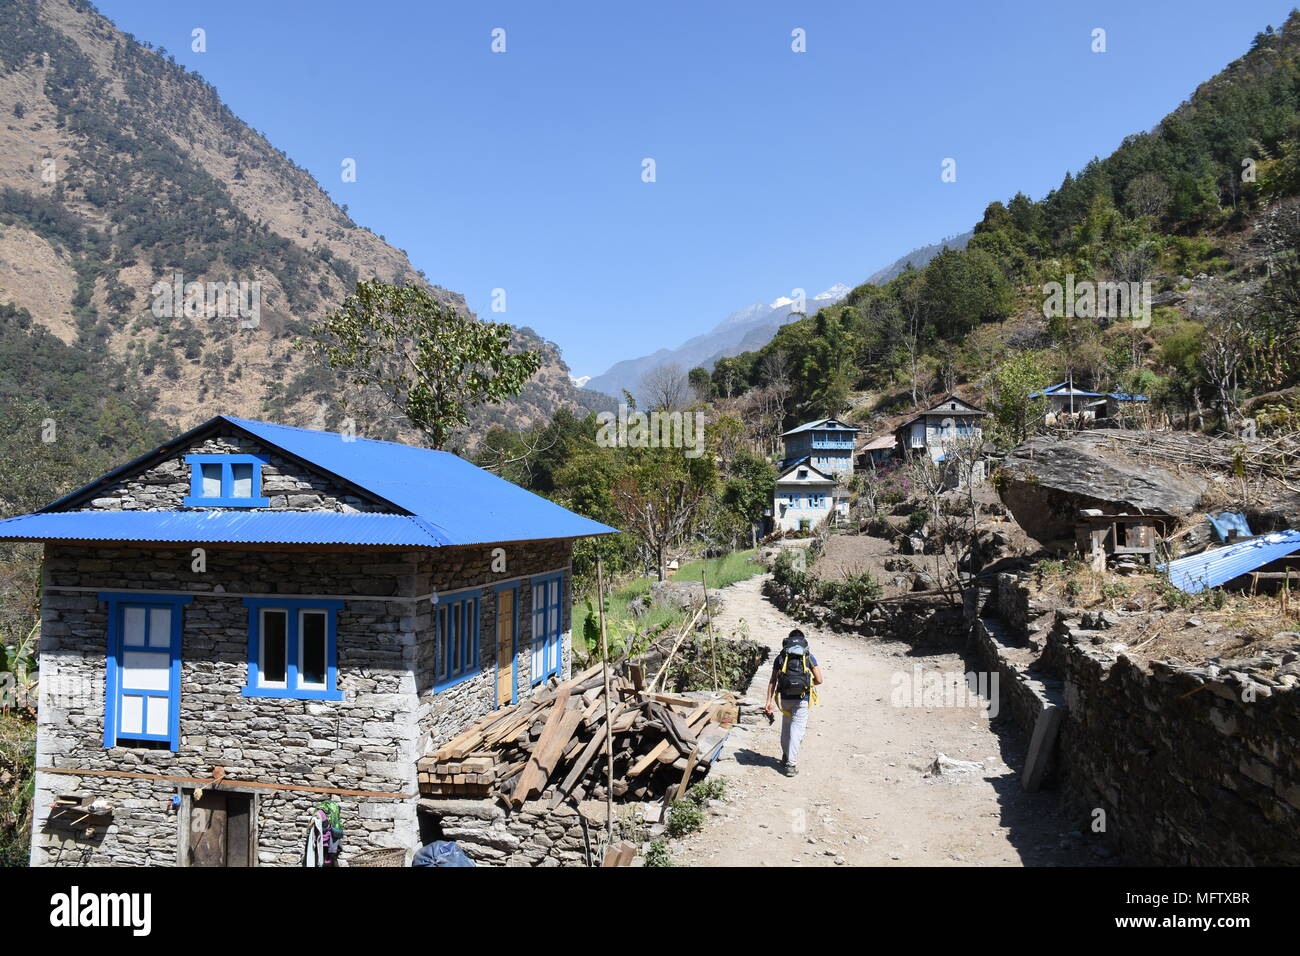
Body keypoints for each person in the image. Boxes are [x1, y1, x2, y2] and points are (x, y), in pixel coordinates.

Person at [763, 629, 823, 776]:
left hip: (785, 698)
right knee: (797, 731)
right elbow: (819, 680)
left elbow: (773, 680)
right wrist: (807, 684)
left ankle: (786, 755)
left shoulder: (781, 658)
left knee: (786, 726)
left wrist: (769, 701)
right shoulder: (808, 656)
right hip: (802, 698)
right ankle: (791, 764)